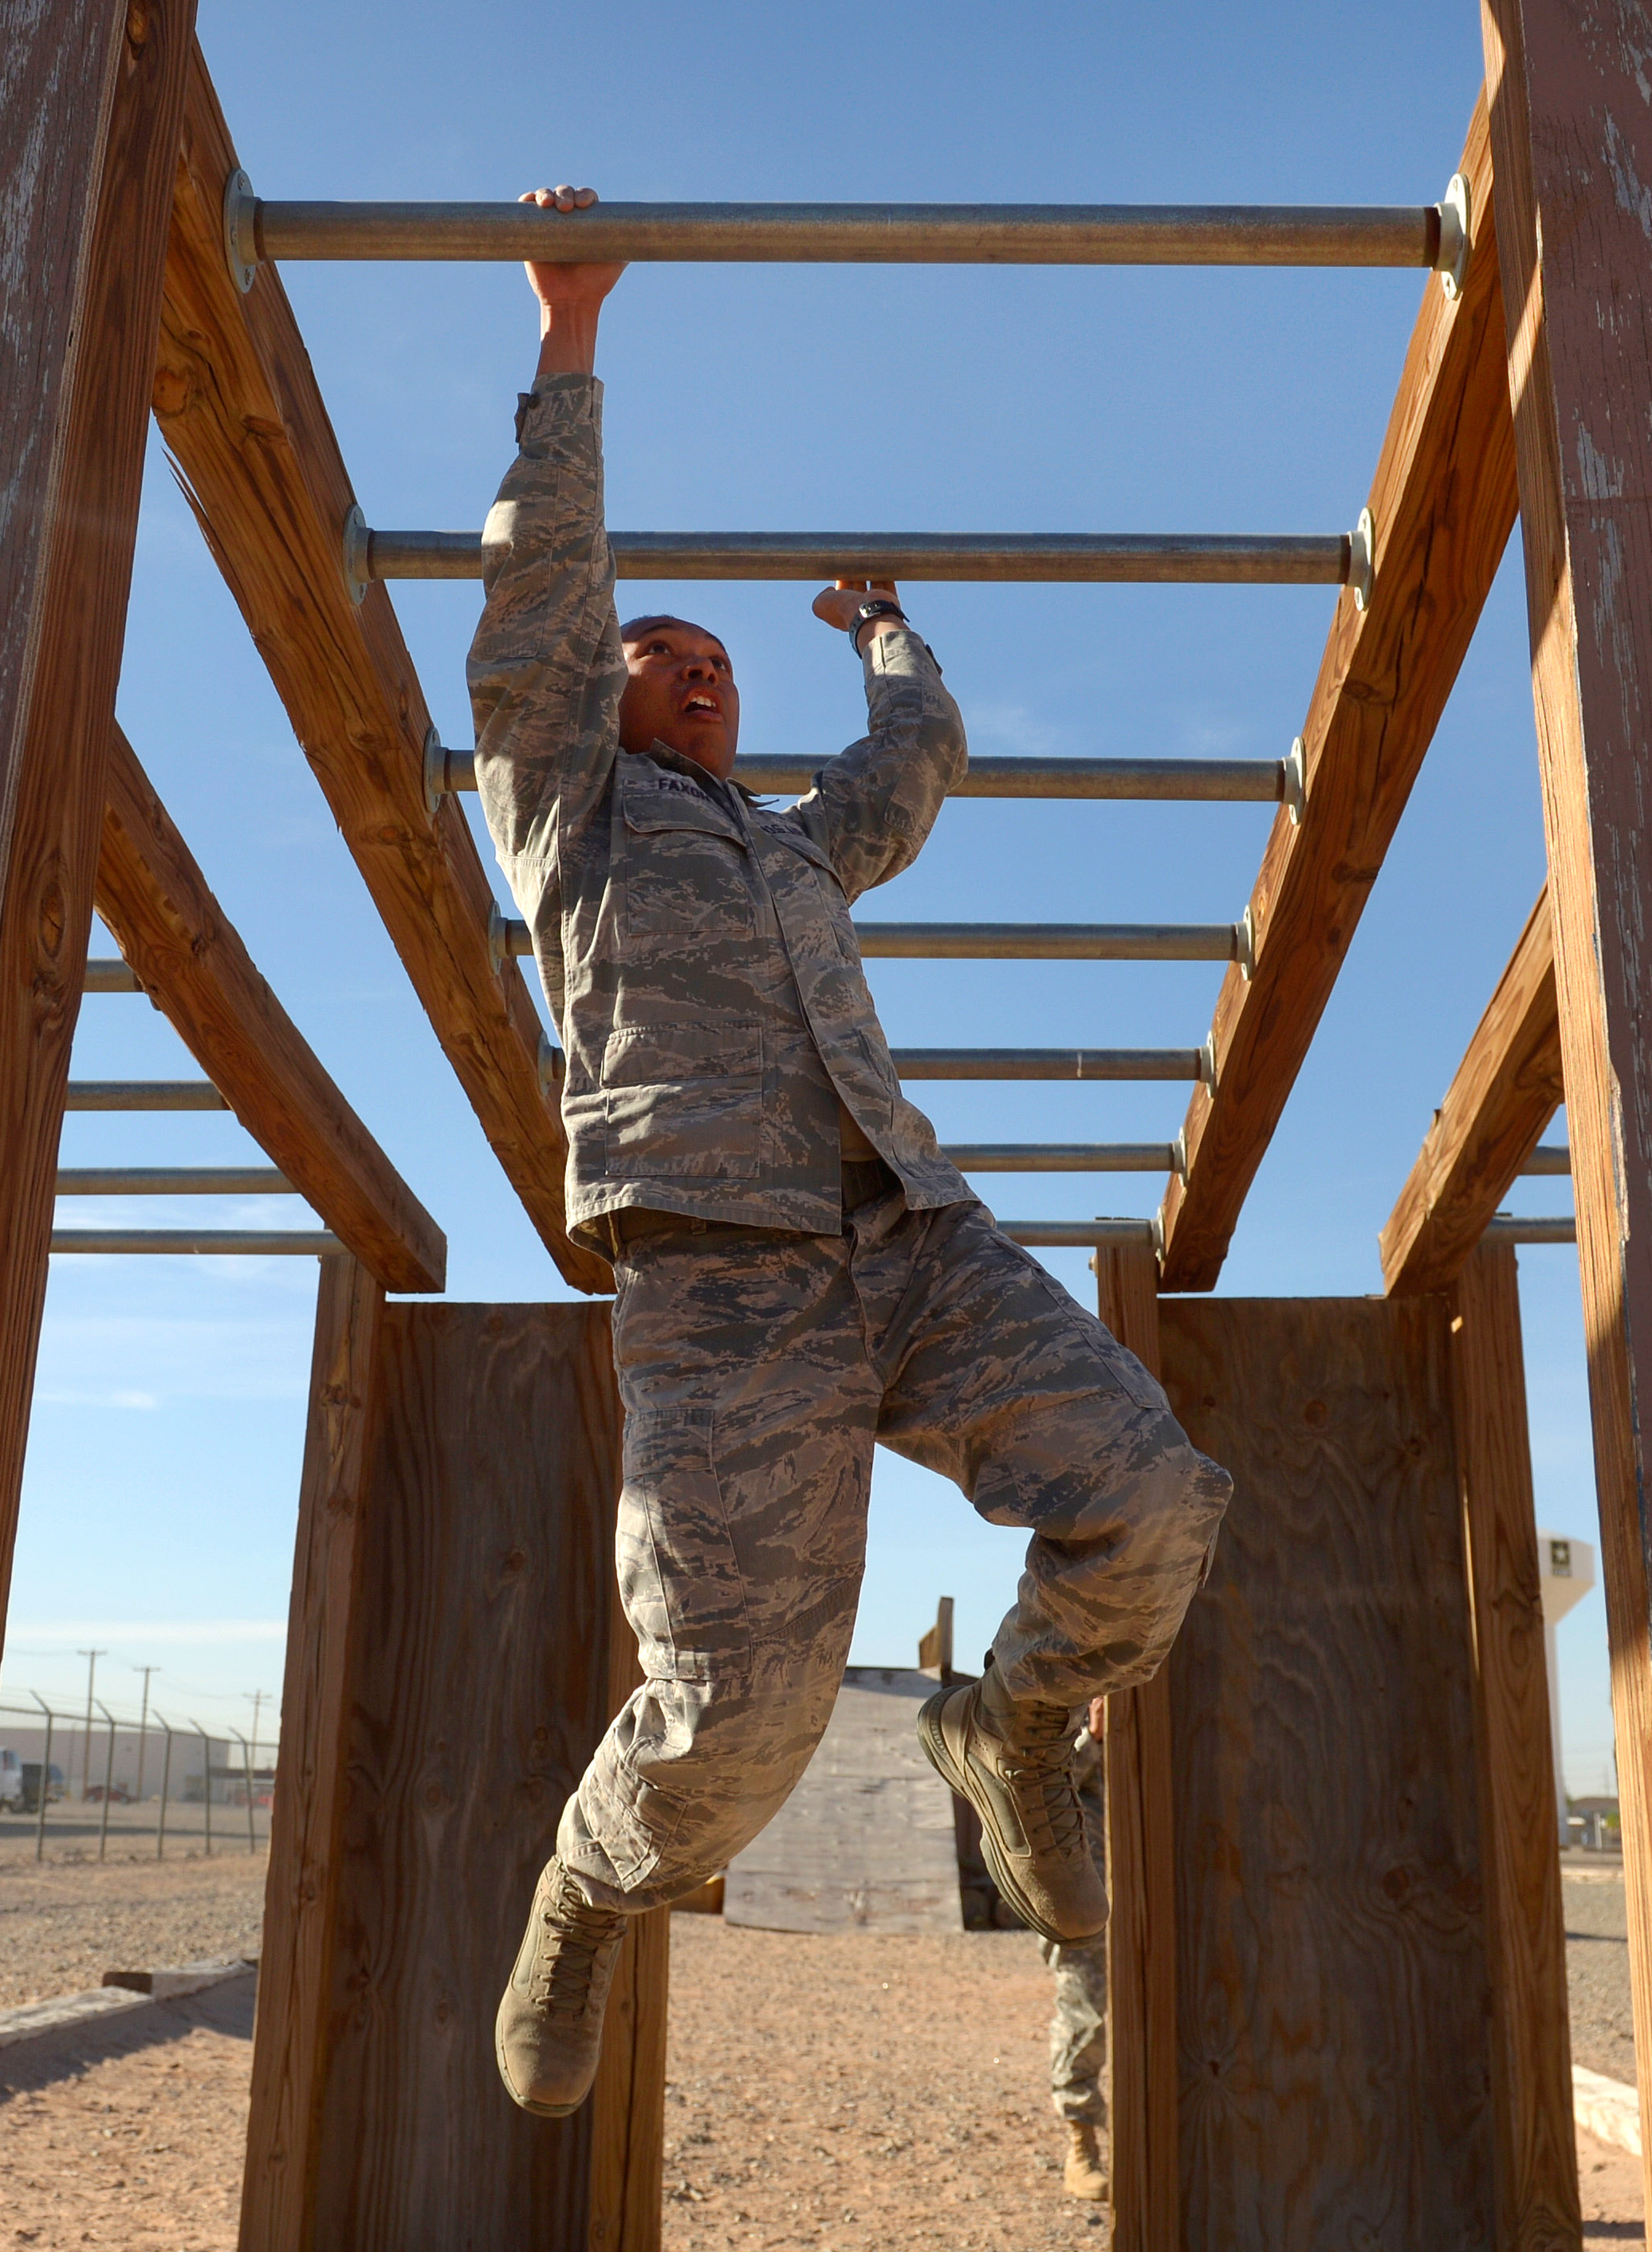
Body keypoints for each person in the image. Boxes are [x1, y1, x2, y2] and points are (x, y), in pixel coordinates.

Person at [472, 185, 1233, 2119]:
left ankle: (1011, 1730)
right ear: (609, 698)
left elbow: (916, 766)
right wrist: (568, 345)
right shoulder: (571, 814)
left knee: (1150, 1501)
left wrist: (889, 627)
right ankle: (585, 1884)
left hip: (908, 1242)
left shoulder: (798, 844)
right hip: (722, 1281)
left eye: (721, 657)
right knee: (739, 1724)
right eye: (662, 649)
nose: (694, 665)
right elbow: (541, 609)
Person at [1043, 1700, 1109, 2203]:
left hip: (1154, 1888)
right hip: (1084, 1895)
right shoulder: (1067, 1684)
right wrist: (1096, 1737)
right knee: (1085, 2014)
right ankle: (1081, 2146)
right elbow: (1039, 1788)